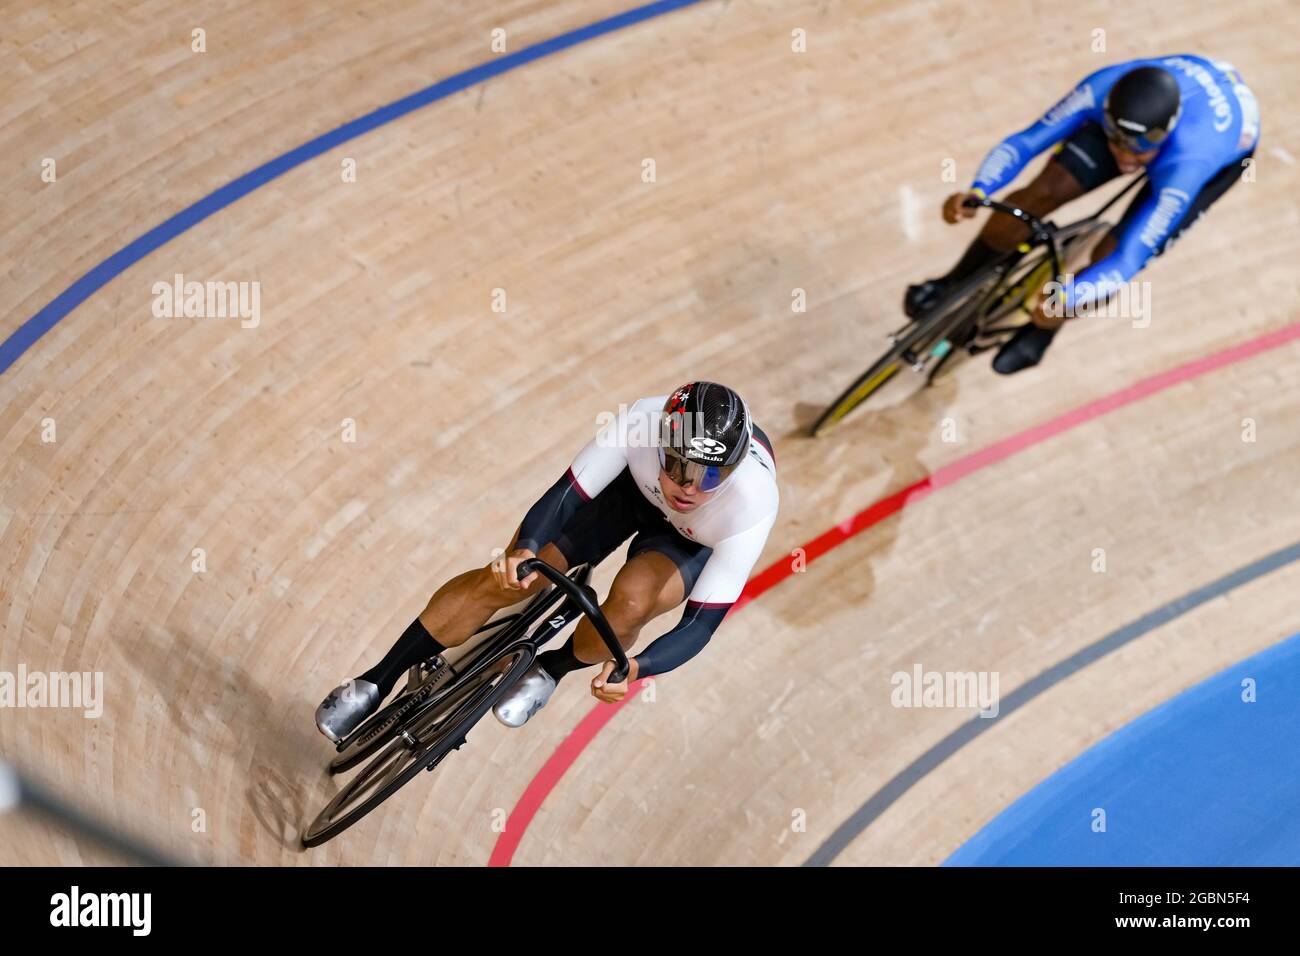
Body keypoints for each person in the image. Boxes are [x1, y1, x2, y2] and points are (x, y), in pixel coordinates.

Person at [315, 382, 779, 740]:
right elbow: (566, 495)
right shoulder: (642, 420)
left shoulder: (751, 504)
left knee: (633, 605)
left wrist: (637, 668)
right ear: (660, 442)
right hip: (627, 494)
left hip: (689, 541)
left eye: (709, 475)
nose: (688, 487)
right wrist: (525, 548)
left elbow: (699, 625)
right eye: (677, 466)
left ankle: (552, 669)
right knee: (509, 580)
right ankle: (376, 680)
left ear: (733, 472)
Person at [905, 55, 1260, 374]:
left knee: (1110, 252)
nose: (1124, 161)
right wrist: (980, 189)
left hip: (1217, 152)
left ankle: (1043, 332)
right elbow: (1027, 141)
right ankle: (954, 282)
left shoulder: (1190, 161)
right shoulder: (1102, 87)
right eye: (1116, 144)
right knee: (1041, 193)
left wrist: (1066, 299)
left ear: (1162, 136)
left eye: (1137, 155)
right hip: (1153, 118)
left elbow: (1126, 261)